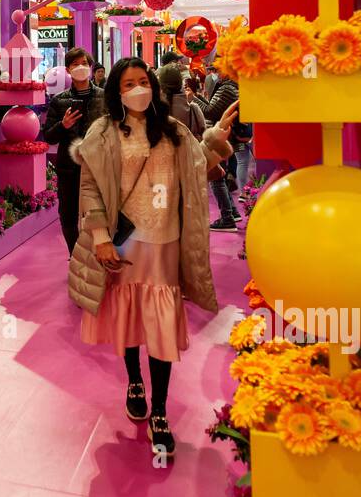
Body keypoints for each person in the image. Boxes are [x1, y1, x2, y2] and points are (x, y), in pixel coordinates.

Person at [67, 57, 235, 457]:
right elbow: (89, 189)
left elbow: (197, 170)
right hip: (124, 245)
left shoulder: (173, 131)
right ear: (116, 92)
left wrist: (215, 139)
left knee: (160, 324)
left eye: (144, 81)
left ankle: (159, 409)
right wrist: (102, 237)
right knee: (128, 319)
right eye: (129, 84)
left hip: (165, 244)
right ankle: (134, 381)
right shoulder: (102, 133)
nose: (138, 89)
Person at [43, 48, 107, 254]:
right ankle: (76, 254)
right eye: (74, 64)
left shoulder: (105, 97)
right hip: (69, 167)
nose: (80, 67)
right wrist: (63, 125)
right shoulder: (58, 100)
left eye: (83, 63)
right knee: (68, 215)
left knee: (99, 213)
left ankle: (99, 254)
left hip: (98, 166)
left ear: (90, 66)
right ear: (69, 70)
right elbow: (49, 136)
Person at [193, 75, 242, 231]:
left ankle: (228, 216)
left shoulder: (227, 88)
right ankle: (231, 212)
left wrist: (194, 98)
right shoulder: (229, 86)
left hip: (220, 138)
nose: (214, 71)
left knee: (217, 177)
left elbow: (210, 111)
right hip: (218, 139)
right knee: (220, 176)